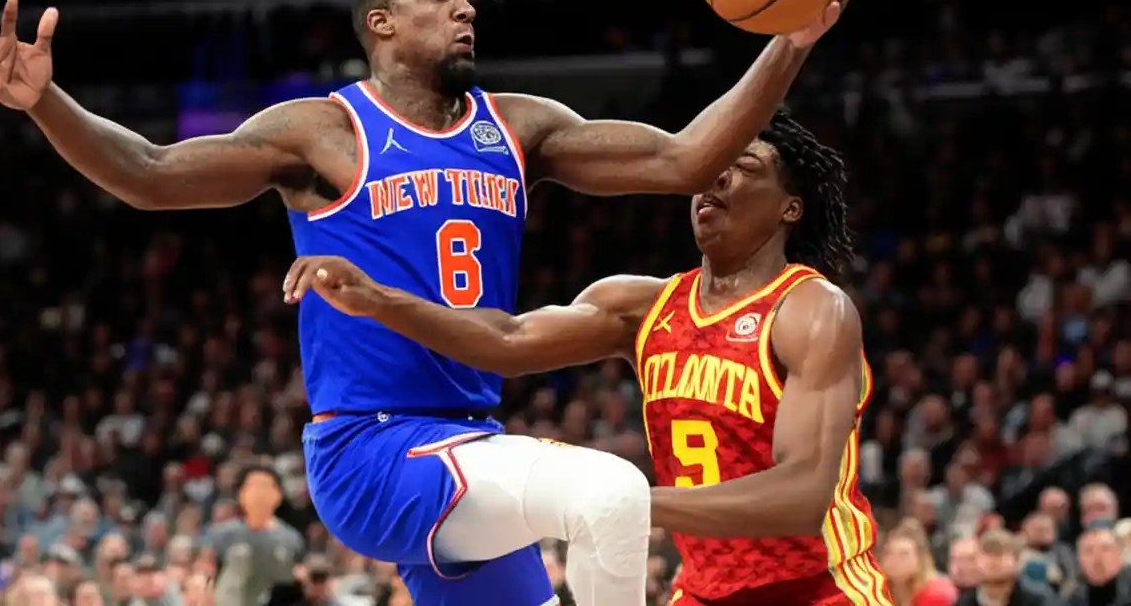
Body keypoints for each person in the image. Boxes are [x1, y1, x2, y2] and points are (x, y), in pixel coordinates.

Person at [0, 0, 862, 605]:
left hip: (470, 447)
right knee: (607, 493)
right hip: (373, 448)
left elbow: (680, 158)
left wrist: (786, 44)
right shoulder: (323, 132)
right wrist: (45, 101)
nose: (467, 8)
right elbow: (152, 175)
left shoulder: (521, 126)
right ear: (383, 23)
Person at [287, 110, 893, 605]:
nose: (716, 179)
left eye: (745, 167)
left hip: (822, 589)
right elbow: (506, 340)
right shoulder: (639, 307)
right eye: (713, 165)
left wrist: (611, 502)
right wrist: (379, 300)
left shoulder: (812, 308)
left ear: (791, 208)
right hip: (703, 591)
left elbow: (801, 497)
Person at [203, 462, 305, 605]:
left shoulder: (291, 539)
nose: (259, 494)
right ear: (241, 494)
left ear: (278, 495)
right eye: (252, 487)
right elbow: (205, 574)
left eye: (265, 487)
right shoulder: (221, 534)